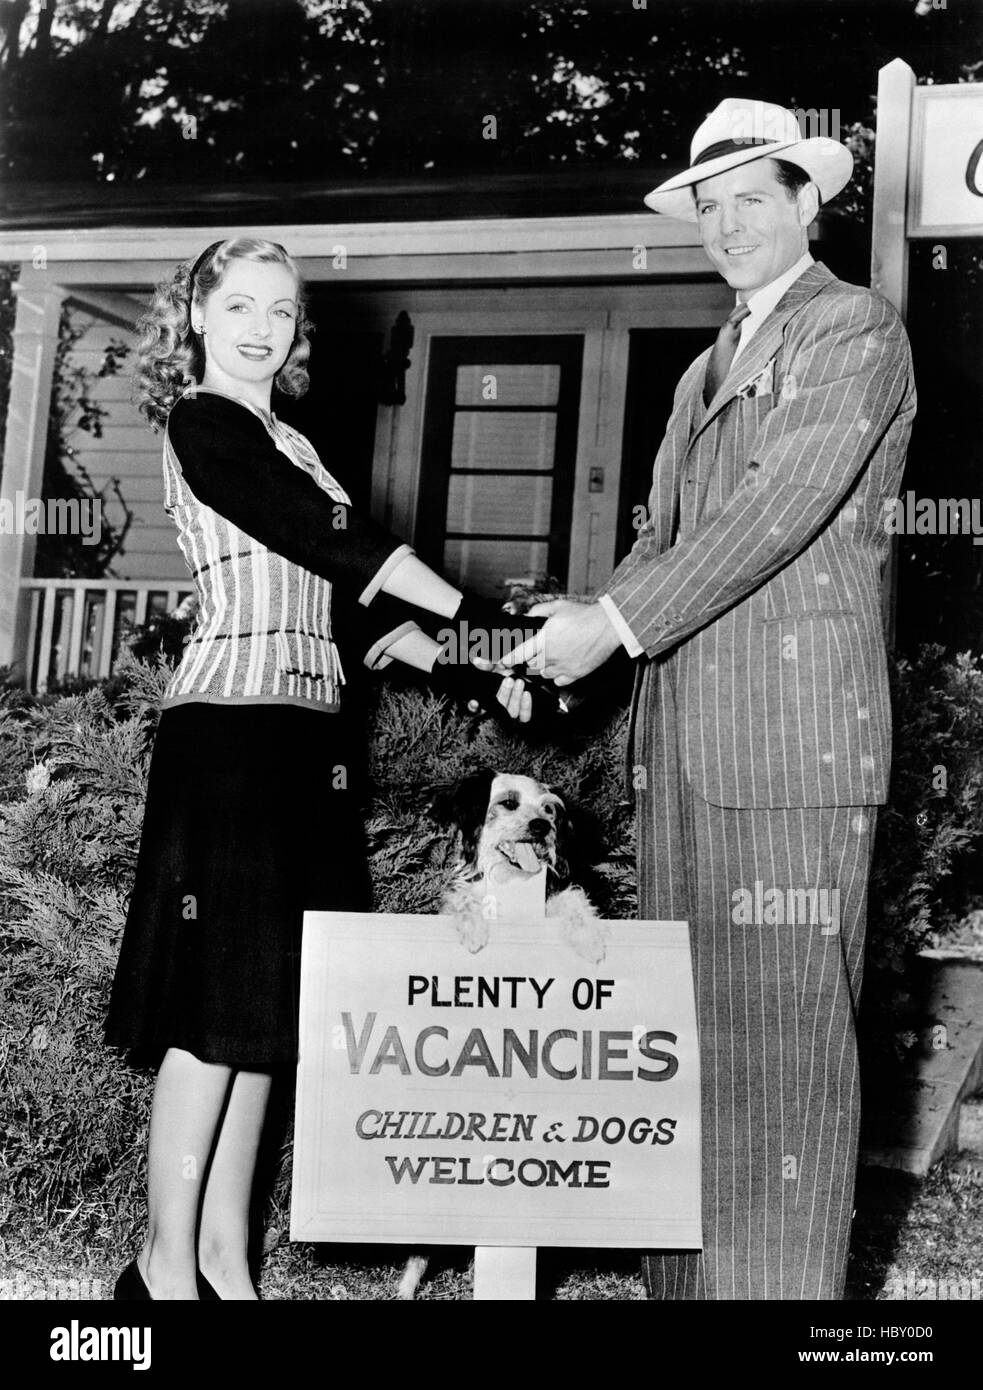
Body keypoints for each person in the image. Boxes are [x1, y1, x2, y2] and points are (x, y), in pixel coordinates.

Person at [504, 99, 916, 1299]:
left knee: (781, 1055)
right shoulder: (700, 369)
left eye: (752, 197)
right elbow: (661, 538)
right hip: (684, 750)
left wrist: (616, 625)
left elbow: (771, 514)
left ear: (805, 202)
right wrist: (568, 638)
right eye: (708, 204)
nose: (727, 223)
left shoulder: (852, 331)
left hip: (788, 755)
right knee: (688, 1052)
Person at [106, 236, 540, 1301]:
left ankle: (223, 1263)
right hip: (230, 736)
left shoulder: (295, 441)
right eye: (240, 306)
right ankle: (161, 1271)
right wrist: (479, 611)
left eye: (282, 311)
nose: (262, 328)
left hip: (308, 738)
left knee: (266, 1020)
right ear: (197, 316)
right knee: (214, 1016)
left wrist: (482, 663)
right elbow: (328, 542)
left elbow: (353, 598)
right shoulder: (204, 424)